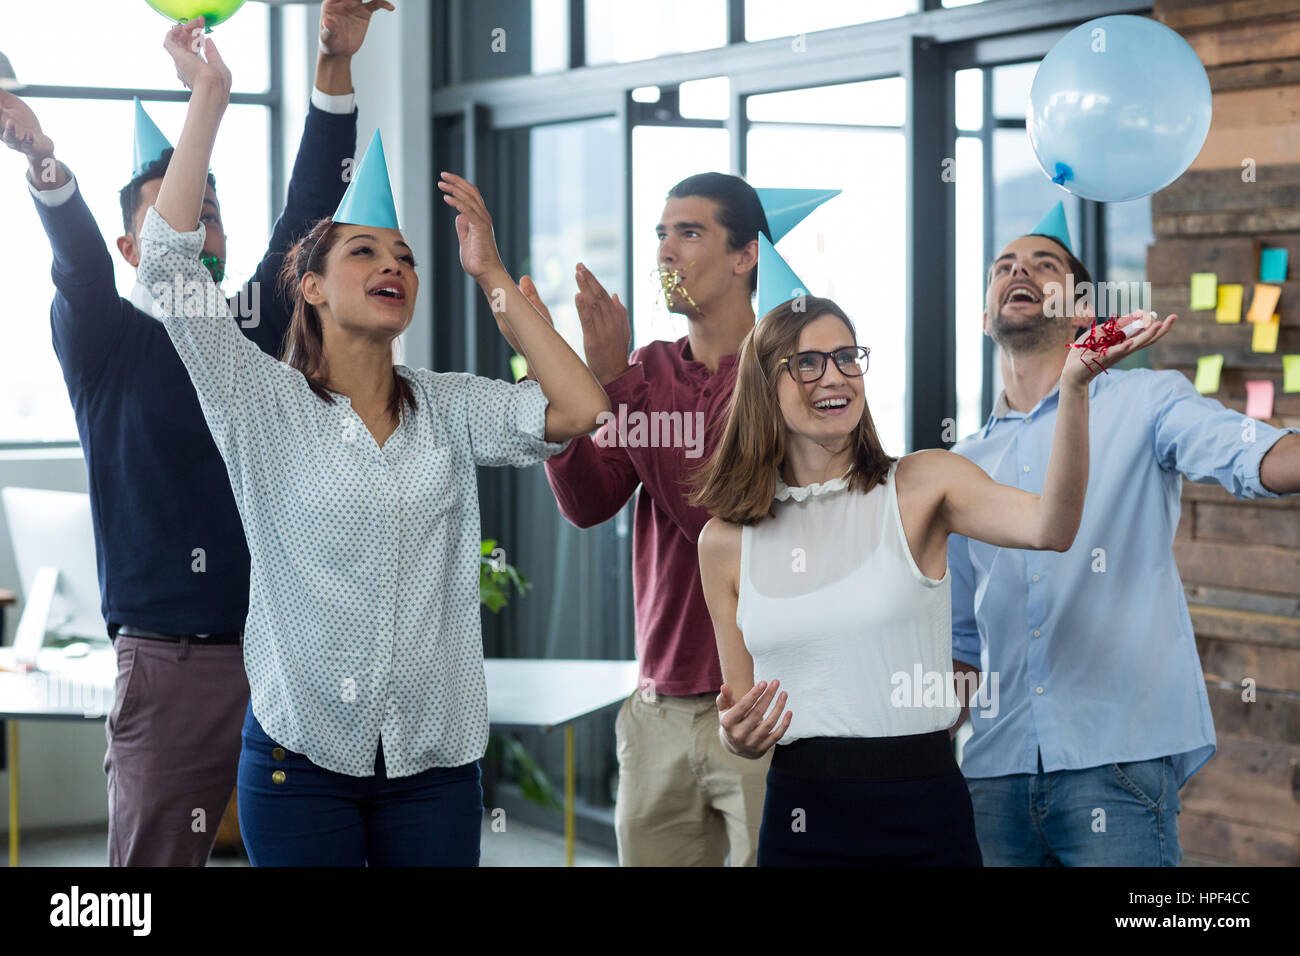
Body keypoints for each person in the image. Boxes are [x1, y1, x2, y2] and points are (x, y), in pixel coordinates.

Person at [139, 18, 608, 866]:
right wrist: (209, 97)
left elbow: (577, 409)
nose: (394, 264)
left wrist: (493, 277)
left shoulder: (452, 406)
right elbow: (167, 269)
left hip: (433, 762)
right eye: (364, 251)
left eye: (405, 255)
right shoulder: (258, 399)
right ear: (311, 287)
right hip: (298, 762)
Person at [0, 0, 389, 866]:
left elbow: (310, 215)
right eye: (175, 211)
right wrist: (45, 164)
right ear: (136, 246)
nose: (199, 224)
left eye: (210, 208)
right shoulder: (107, 342)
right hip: (169, 668)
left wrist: (333, 63)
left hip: (285, 657)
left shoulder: (249, 332)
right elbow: (77, 264)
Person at [690, 292, 1173, 866]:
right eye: (808, 362)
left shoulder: (922, 484)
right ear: (764, 383)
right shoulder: (723, 544)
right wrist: (734, 737)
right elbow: (743, 712)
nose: (835, 376)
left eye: (847, 356)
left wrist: (1073, 387)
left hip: (922, 808)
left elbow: (1053, 526)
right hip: (800, 815)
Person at [948, 205, 1300, 866]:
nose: (1019, 270)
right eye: (1004, 267)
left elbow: (1251, 456)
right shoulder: (960, 465)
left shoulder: (1148, 402)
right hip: (993, 772)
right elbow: (963, 638)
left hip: (1117, 762)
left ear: (1083, 310)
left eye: (1043, 265)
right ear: (984, 315)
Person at [515, 173, 775, 866]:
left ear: (746, 254)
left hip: (762, 701)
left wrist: (616, 388)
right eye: (661, 233)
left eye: (689, 232)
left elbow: (715, 514)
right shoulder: (647, 368)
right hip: (657, 706)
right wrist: (563, 389)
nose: (666, 250)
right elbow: (587, 503)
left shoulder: (780, 372)